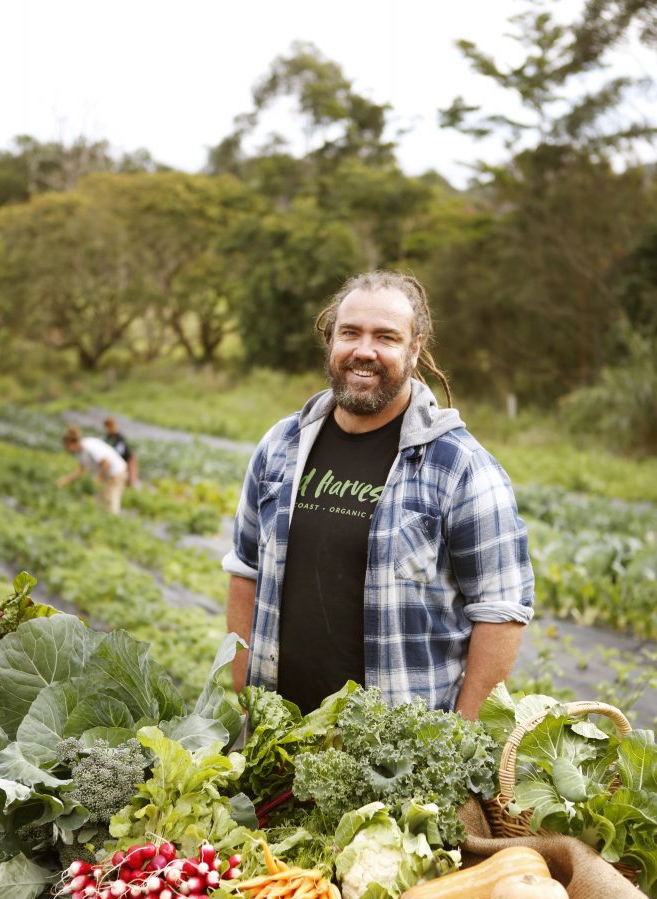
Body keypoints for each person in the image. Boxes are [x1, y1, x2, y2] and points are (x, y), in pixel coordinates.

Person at [223, 270, 534, 719]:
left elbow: (501, 609)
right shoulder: (281, 445)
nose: (363, 351)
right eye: (350, 333)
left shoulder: (460, 467)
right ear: (331, 340)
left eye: (385, 337)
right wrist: (242, 684)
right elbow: (245, 567)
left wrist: (462, 739)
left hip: (395, 756)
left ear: (414, 347)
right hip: (278, 736)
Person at [58, 425, 129, 514]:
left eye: (67, 446)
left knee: (110, 499)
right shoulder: (79, 452)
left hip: (117, 473)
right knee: (100, 499)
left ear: (72, 443)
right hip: (108, 475)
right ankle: (103, 520)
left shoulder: (89, 446)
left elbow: (106, 462)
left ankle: (114, 519)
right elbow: (81, 469)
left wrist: (99, 478)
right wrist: (66, 479)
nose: (67, 449)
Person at [104, 417, 139, 487]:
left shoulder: (118, 436)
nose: (106, 430)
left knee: (131, 480)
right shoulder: (108, 437)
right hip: (121, 461)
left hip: (129, 459)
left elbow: (120, 451)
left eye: (107, 428)